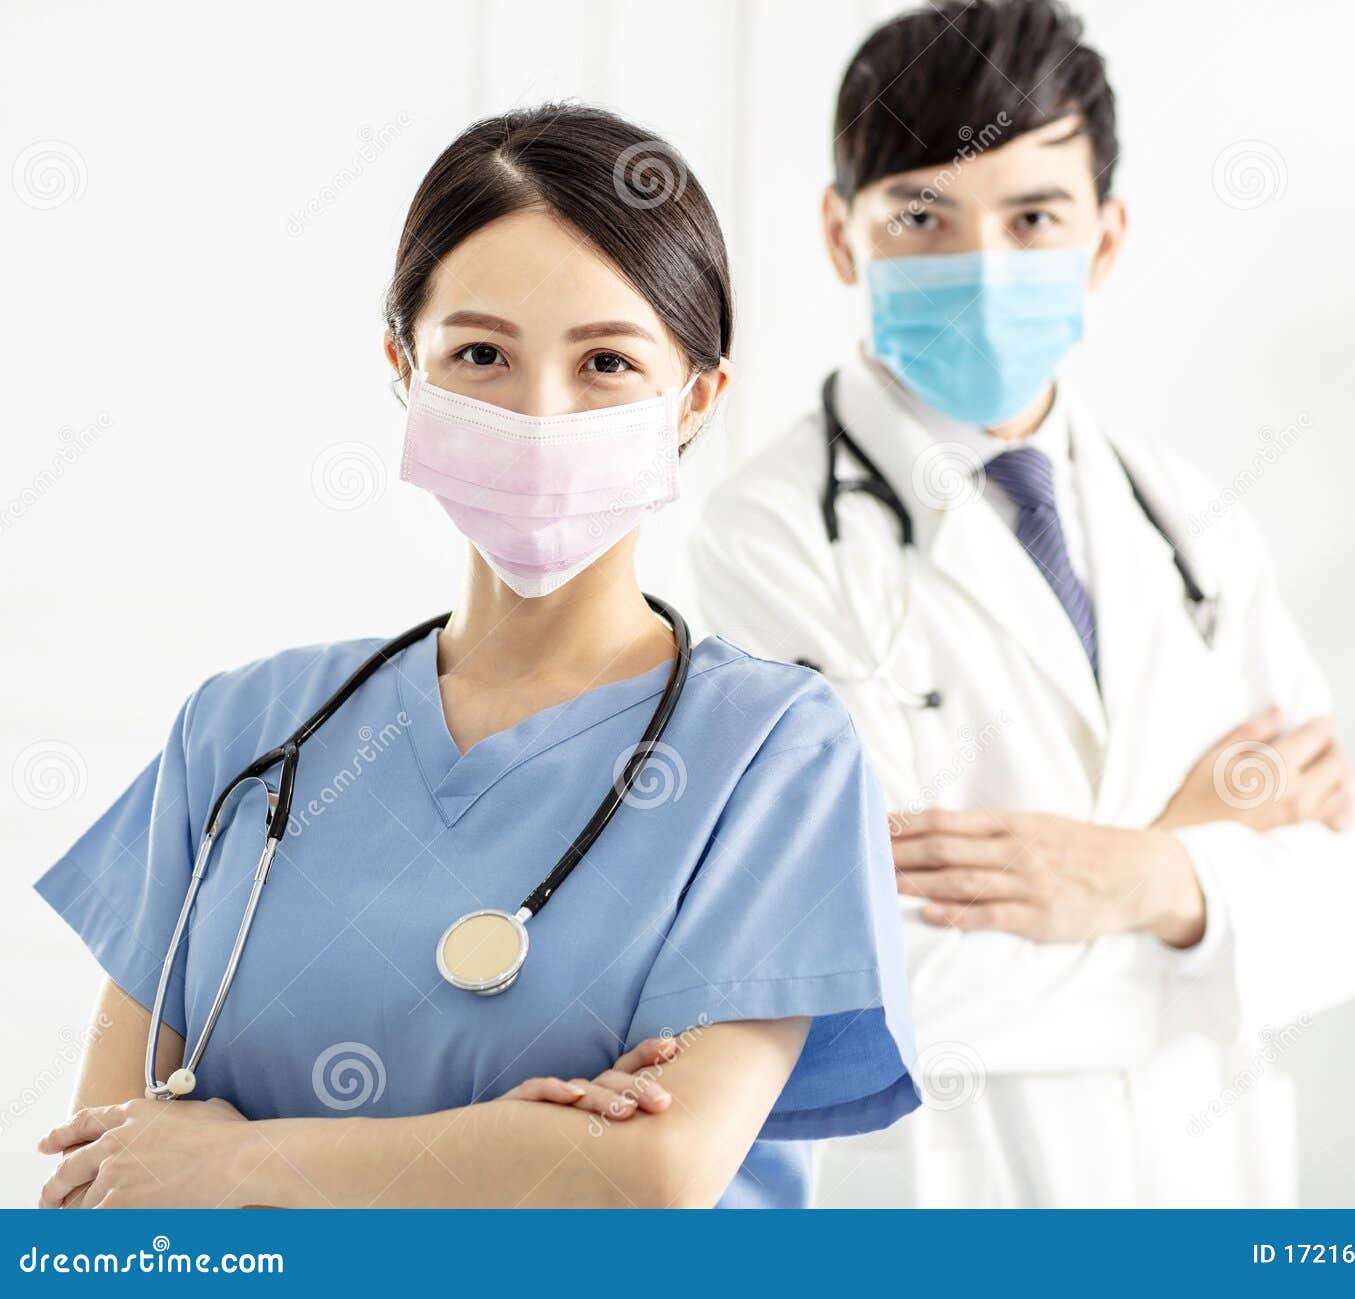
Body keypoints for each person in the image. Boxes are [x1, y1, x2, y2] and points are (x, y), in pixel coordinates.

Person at [32, 104, 918, 1210]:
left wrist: (241, 1162)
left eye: (604, 361)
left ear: (696, 398)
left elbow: (652, 1176)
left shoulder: (773, 752)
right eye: (482, 354)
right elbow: (98, 1190)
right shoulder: (242, 731)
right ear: (405, 367)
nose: (539, 413)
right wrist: (500, 1154)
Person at [690, 0, 1355, 1207]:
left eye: (1033, 218)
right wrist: (1209, 889)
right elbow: (862, 983)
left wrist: (1138, 875)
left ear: (1108, 237)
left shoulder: (1188, 521)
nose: (983, 266)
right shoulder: (767, 538)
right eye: (922, 216)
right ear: (838, 232)